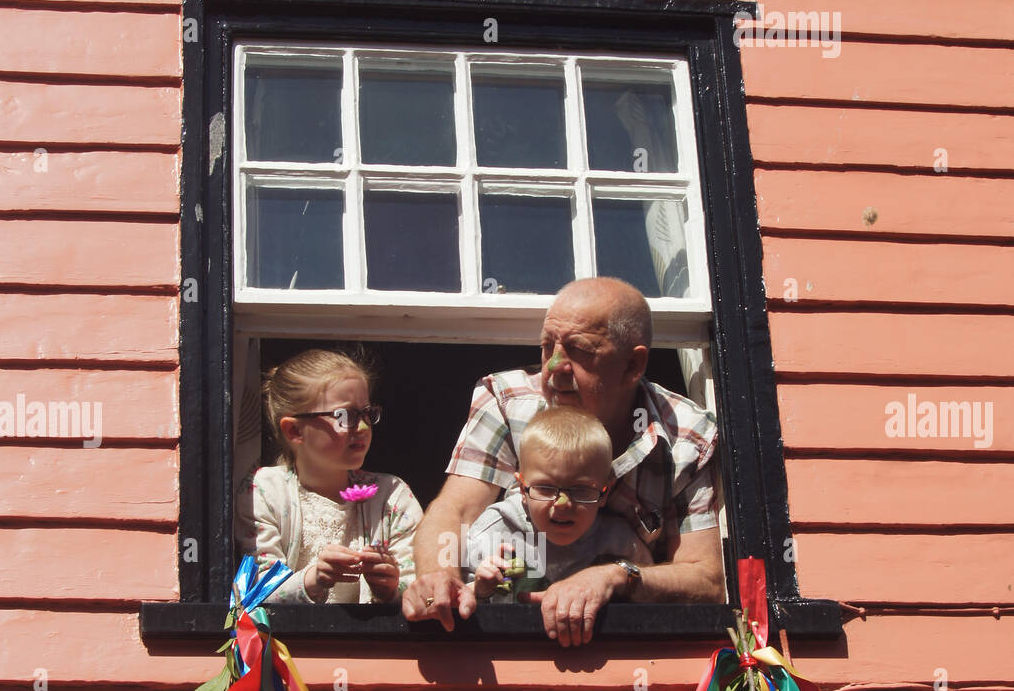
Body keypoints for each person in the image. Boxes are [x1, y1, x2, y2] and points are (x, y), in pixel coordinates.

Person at [402, 277, 724, 646]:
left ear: (633, 365)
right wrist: (440, 577)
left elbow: (708, 581)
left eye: (578, 350)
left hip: (627, 655)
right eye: (546, 346)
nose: (554, 366)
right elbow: (456, 512)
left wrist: (614, 577)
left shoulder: (688, 435)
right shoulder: (508, 401)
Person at [235, 348, 422, 604]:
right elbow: (256, 591)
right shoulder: (264, 491)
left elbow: (422, 586)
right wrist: (315, 578)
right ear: (294, 431)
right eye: (345, 416)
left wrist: (390, 588)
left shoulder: (391, 495)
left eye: (367, 413)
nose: (364, 427)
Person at [466, 407, 652, 599]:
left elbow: (652, 601)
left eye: (581, 490)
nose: (562, 504)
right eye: (546, 488)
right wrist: (479, 589)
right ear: (522, 489)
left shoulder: (621, 544)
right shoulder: (497, 530)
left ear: (604, 493)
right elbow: (454, 598)